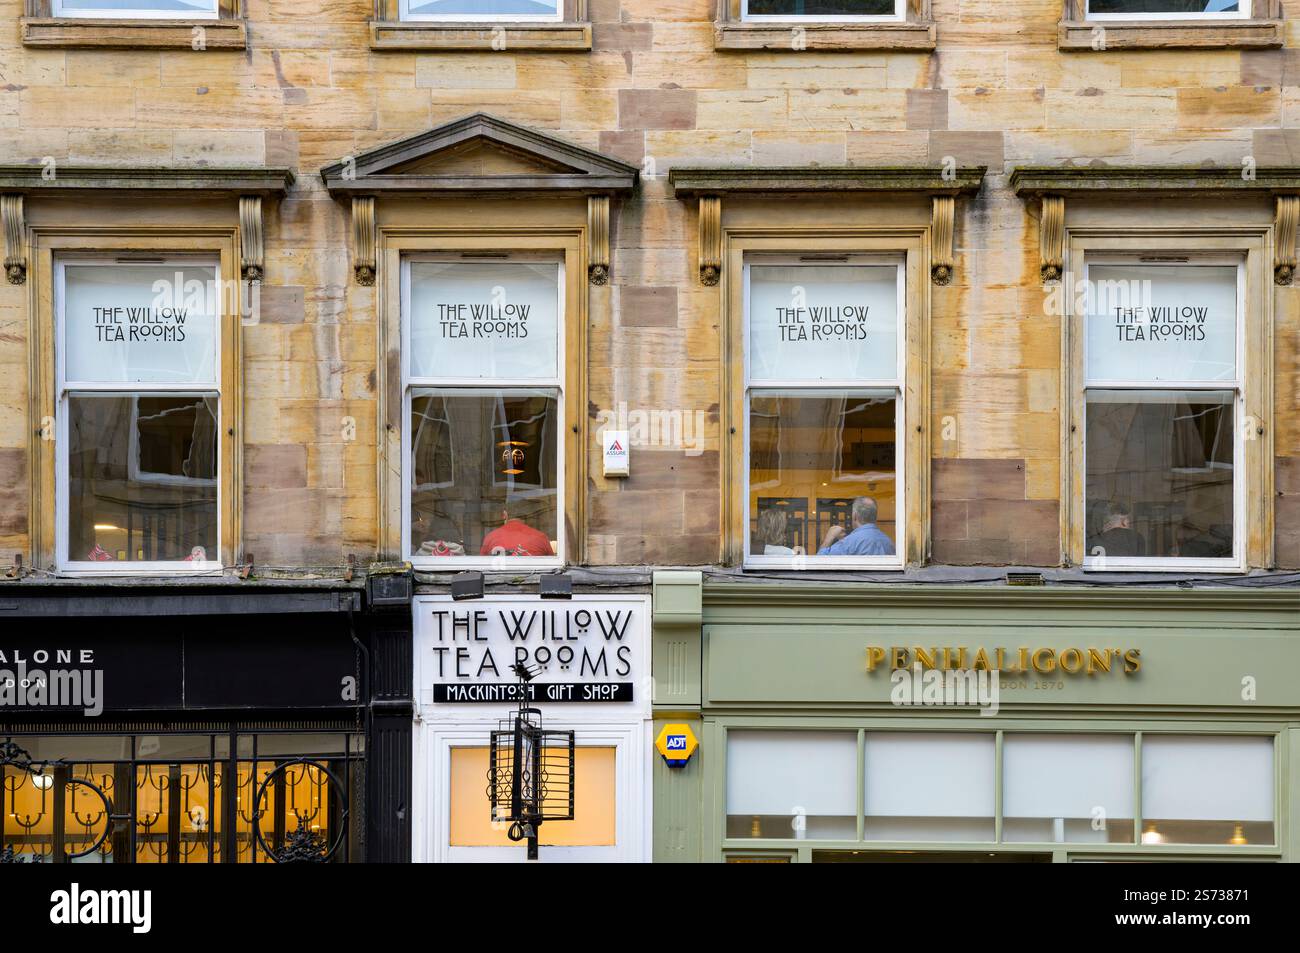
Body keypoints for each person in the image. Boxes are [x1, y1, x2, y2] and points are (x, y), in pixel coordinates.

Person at [817, 497, 895, 556]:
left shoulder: (850, 542)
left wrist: (829, 537)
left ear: (855, 515)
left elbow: (819, 562)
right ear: (875, 516)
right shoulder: (888, 542)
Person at [479, 502, 554, 557]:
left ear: (505, 514)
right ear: (527, 515)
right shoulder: (541, 537)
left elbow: (481, 566)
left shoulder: (490, 537)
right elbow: (553, 567)